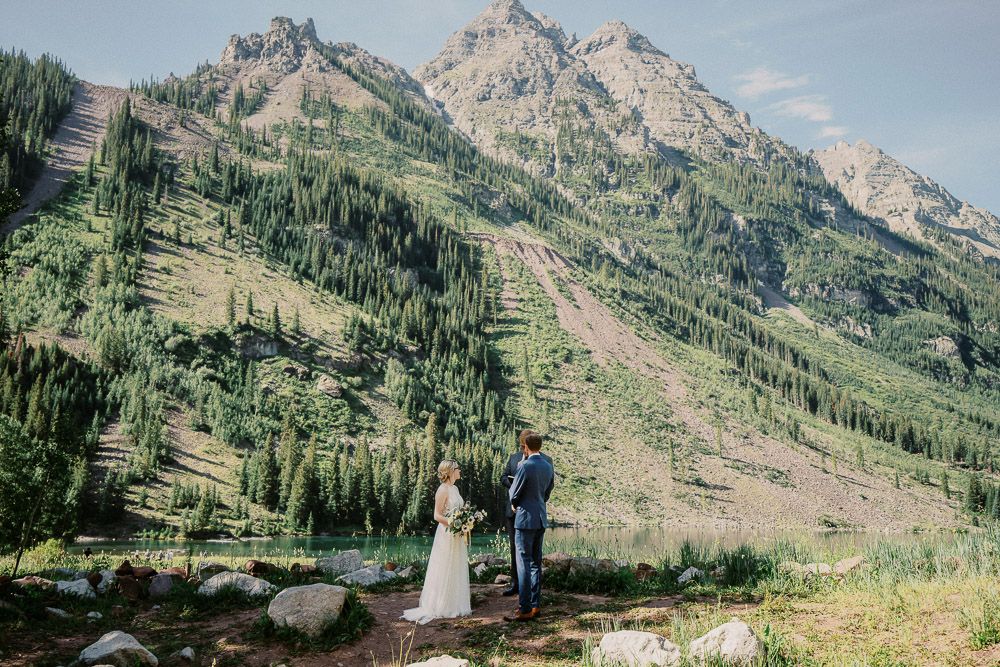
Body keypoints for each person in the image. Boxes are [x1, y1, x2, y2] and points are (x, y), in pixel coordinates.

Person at [401, 460, 472, 624]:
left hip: (458, 534)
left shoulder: (455, 488)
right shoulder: (442, 490)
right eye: (457, 468)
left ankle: (456, 603)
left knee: (456, 565)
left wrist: (465, 520)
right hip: (447, 533)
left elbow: (459, 511)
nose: (460, 470)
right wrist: (454, 523)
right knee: (445, 566)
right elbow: (437, 515)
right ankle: (442, 605)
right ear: (450, 471)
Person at [505, 433, 554, 622]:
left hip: (525, 519)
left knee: (523, 563)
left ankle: (524, 608)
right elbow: (548, 490)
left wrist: (515, 503)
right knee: (535, 563)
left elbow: (514, 492)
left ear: (525, 446)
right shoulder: (548, 466)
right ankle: (535, 605)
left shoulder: (524, 466)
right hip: (540, 517)